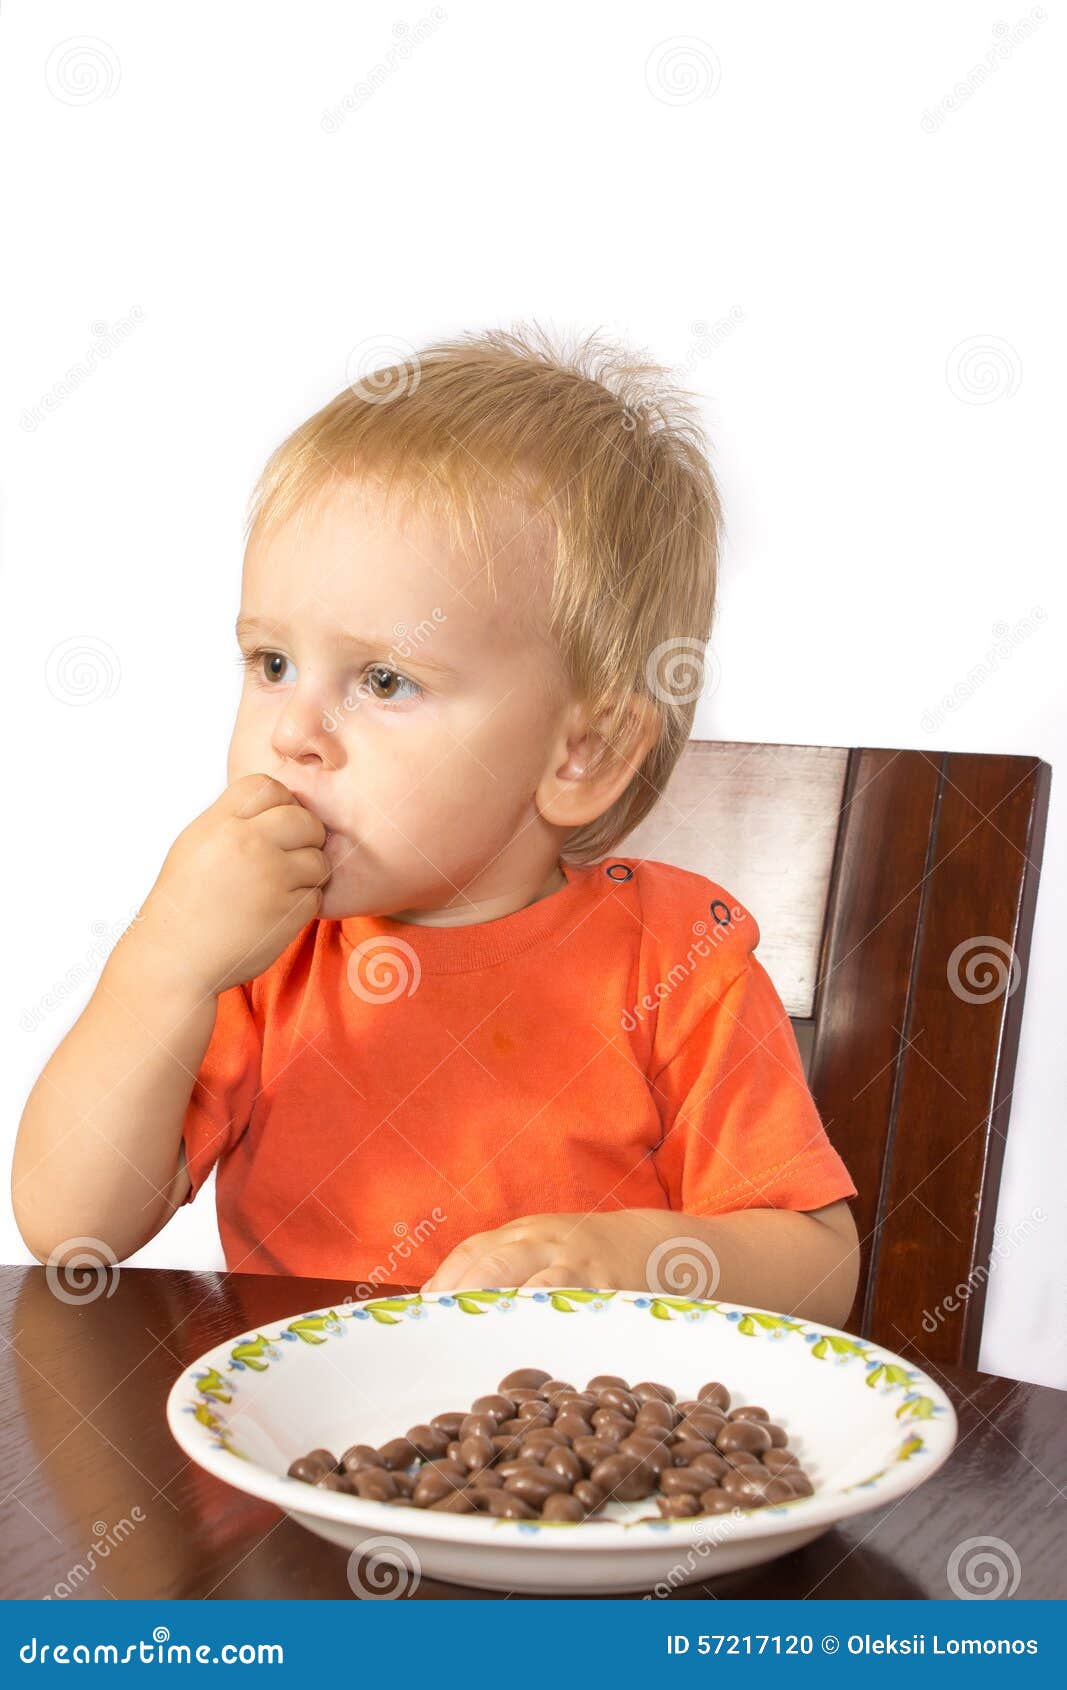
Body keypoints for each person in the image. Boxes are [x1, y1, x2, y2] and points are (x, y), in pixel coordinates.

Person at [14, 324, 859, 1322]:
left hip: (577, 1417)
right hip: (308, 1414)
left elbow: (819, 1270)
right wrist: (162, 964)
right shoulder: (256, 949)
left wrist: (625, 1257)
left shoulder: (675, 960)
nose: (293, 732)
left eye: (382, 680)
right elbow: (71, 1227)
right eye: (273, 663)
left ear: (580, 754)